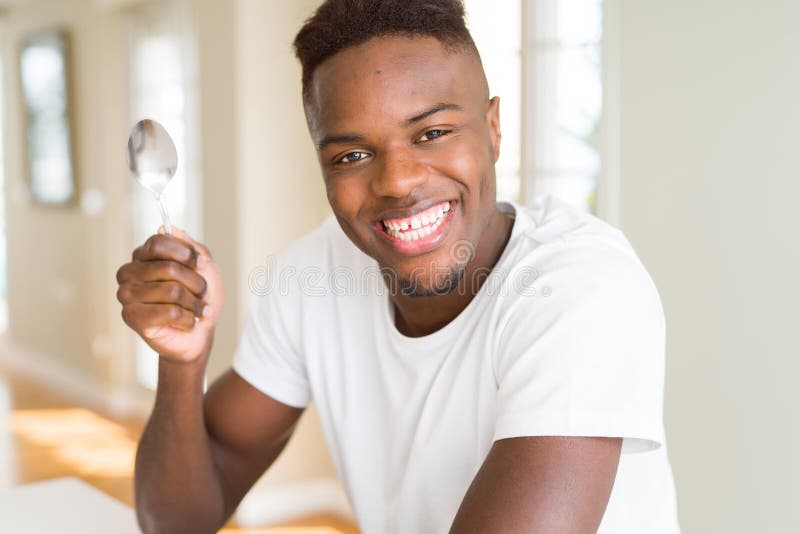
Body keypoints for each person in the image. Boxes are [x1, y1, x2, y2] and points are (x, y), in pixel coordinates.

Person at [115, 1, 681, 532]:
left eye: (432, 133)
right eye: (353, 155)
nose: (397, 181)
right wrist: (182, 362)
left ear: (493, 129)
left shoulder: (582, 288)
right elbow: (177, 520)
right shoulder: (312, 276)